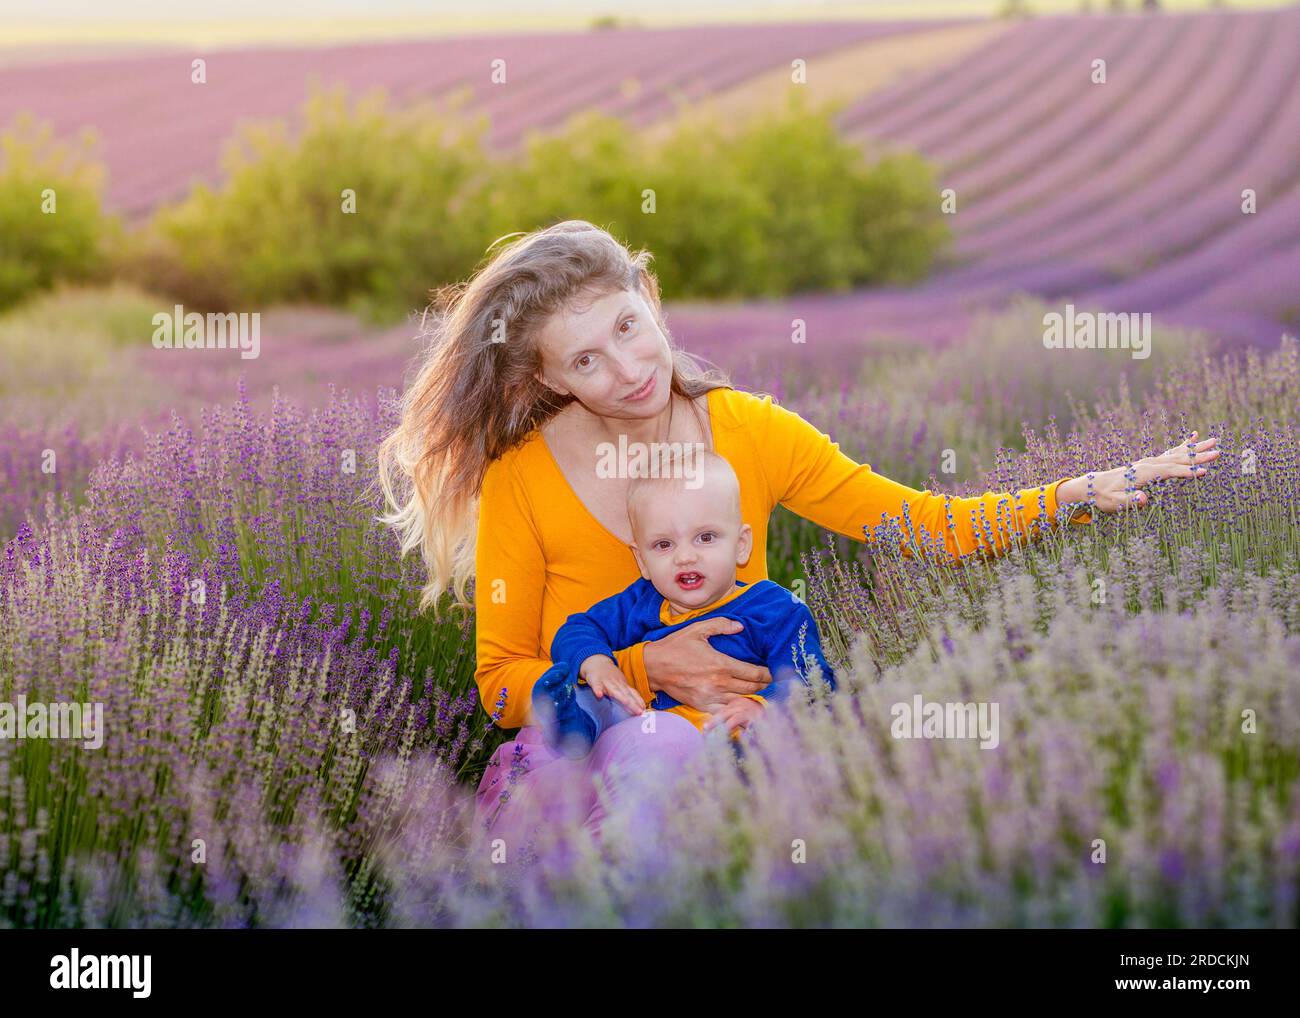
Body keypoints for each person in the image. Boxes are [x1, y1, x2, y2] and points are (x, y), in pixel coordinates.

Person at [374, 219, 1220, 849]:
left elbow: (926, 526)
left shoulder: (752, 433)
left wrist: (1076, 493)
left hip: (745, 750)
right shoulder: (523, 476)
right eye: (586, 360)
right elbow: (497, 684)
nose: (628, 369)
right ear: (544, 377)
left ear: (652, 299)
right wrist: (635, 667)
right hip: (588, 772)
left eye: (628, 327)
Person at [532, 448, 836, 759]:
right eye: (664, 545)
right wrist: (596, 662)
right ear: (643, 560)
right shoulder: (641, 601)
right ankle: (572, 726)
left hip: (727, 744)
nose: (685, 556)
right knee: (603, 694)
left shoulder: (775, 609)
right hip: (645, 738)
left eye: (705, 537)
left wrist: (761, 706)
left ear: (741, 545)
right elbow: (578, 627)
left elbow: (813, 679)